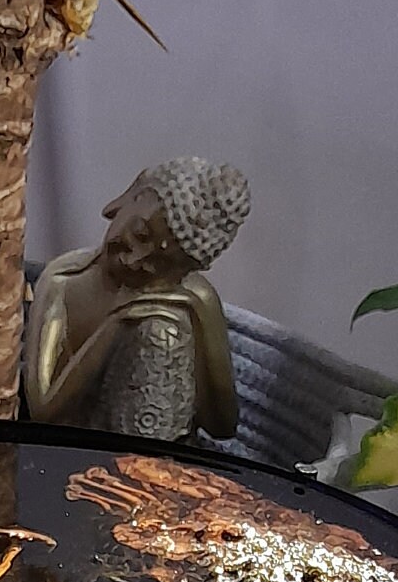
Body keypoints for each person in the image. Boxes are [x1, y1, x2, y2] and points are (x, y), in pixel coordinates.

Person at [22, 158, 251, 441]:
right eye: (140, 233)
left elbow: (222, 427)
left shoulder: (194, 298)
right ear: (130, 195)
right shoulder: (64, 279)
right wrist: (114, 324)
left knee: (162, 329)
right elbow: (42, 410)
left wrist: (199, 313)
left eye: (161, 264)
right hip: (74, 456)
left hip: (171, 462)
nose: (135, 259)